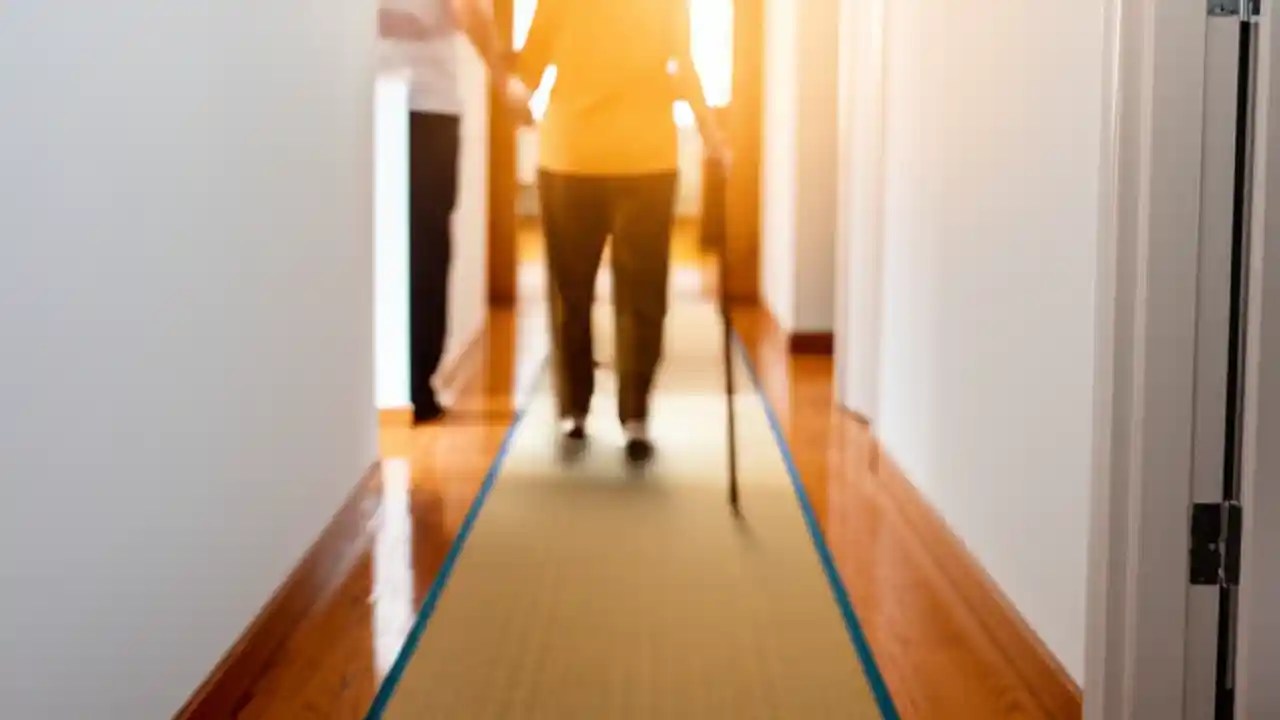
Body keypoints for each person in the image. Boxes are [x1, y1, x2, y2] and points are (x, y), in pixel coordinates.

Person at [514, 0, 730, 462]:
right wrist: (711, 134)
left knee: (578, 290)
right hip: (628, 154)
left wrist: (515, 93)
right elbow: (684, 65)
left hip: (590, 153)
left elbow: (529, 66)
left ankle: (587, 410)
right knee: (636, 290)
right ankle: (627, 415)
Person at [378, 0, 522, 423]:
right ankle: (416, 387)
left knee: (387, 246)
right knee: (426, 248)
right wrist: (503, 80)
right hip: (427, 105)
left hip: (369, 98)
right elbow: (470, 11)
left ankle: (384, 383)